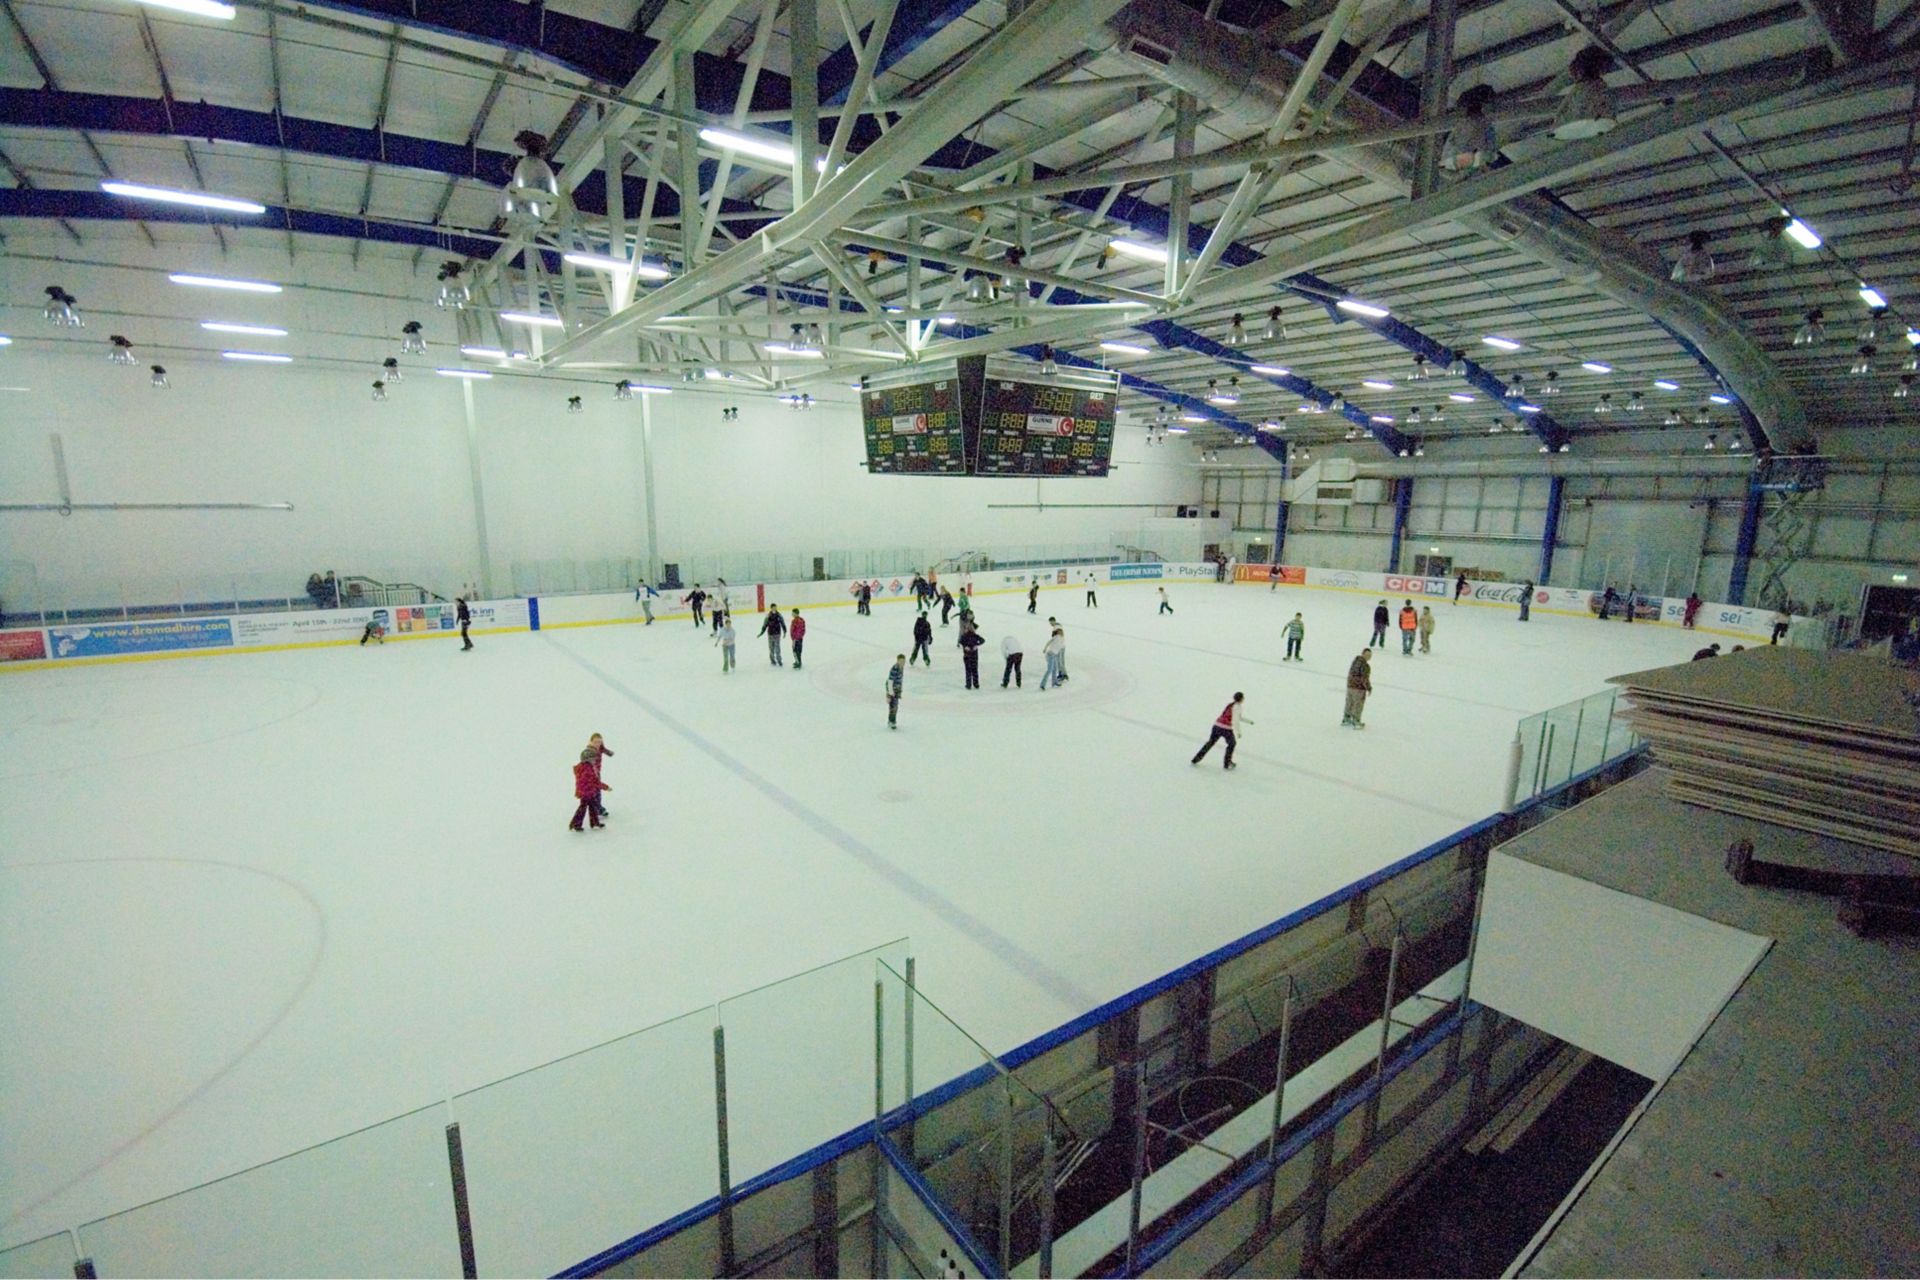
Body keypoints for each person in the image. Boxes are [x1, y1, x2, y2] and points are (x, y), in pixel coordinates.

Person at [1191, 692, 1248, 769]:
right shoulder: (1238, 707)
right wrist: (1238, 732)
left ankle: (1196, 758)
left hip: (1217, 726)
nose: (1244, 699)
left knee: (1210, 742)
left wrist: (1247, 720)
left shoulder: (1230, 705)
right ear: (1241, 699)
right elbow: (1235, 720)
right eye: (1243, 697)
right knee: (1232, 744)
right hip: (1226, 729)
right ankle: (1227, 763)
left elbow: (1235, 717)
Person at [569, 747, 607, 831]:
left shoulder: (583, 767)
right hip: (587, 793)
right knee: (583, 808)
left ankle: (594, 823)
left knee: (592, 807)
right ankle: (576, 824)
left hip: (587, 791)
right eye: (593, 759)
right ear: (588, 760)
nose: (595, 761)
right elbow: (594, 781)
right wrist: (605, 787)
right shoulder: (587, 769)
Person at [585, 733, 614, 820]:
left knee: (598, 792)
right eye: (595, 742)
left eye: (599, 742)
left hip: (597, 772)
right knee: (594, 791)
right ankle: (597, 809)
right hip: (590, 773)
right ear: (591, 742)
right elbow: (586, 762)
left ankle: (598, 809)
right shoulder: (589, 751)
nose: (598, 744)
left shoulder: (600, 748)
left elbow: (605, 750)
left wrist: (610, 753)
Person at [1343, 649, 1373, 728]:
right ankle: (1356, 721)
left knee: (1350, 703)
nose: (1368, 657)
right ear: (1363, 654)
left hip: (1350, 685)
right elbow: (1364, 678)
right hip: (1359, 688)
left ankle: (1346, 718)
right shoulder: (1365, 666)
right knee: (1358, 704)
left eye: (1370, 655)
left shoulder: (1355, 662)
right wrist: (1369, 688)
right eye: (1367, 655)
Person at [958, 620, 984, 689]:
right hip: (974, 655)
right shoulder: (975, 636)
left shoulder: (964, 636)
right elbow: (982, 640)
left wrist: (965, 646)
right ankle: (976, 684)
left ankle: (968, 684)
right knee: (975, 670)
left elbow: (960, 642)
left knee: (968, 670)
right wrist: (977, 644)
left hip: (967, 655)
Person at [885, 654, 905, 729]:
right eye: (901, 661)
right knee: (893, 706)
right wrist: (889, 694)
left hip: (896, 689)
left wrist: (899, 690)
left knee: (895, 706)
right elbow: (890, 681)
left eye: (903, 661)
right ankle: (891, 721)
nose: (902, 663)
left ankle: (892, 721)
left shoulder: (901, 667)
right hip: (892, 690)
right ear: (897, 661)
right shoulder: (895, 668)